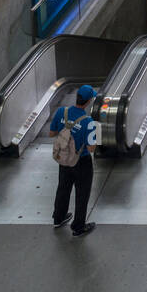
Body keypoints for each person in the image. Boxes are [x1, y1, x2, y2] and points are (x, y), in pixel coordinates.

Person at [48, 84, 98, 238]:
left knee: (63, 187)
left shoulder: (62, 111)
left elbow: (51, 133)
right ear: (89, 101)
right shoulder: (89, 121)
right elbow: (91, 149)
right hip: (81, 161)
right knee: (82, 194)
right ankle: (78, 227)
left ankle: (59, 217)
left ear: (77, 97)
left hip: (63, 158)